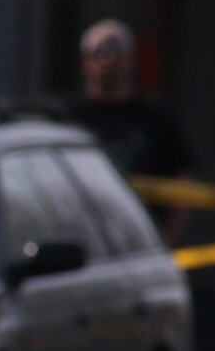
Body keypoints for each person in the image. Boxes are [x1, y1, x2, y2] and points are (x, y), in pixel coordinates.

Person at [67, 18, 193, 241]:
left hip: (139, 244)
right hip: (79, 239)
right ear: (85, 61)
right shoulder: (66, 119)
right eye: (99, 50)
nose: (109, 58)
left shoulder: (157, 120)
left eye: (118, 49)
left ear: (132, 60)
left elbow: (183, 181)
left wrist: (166, 241)